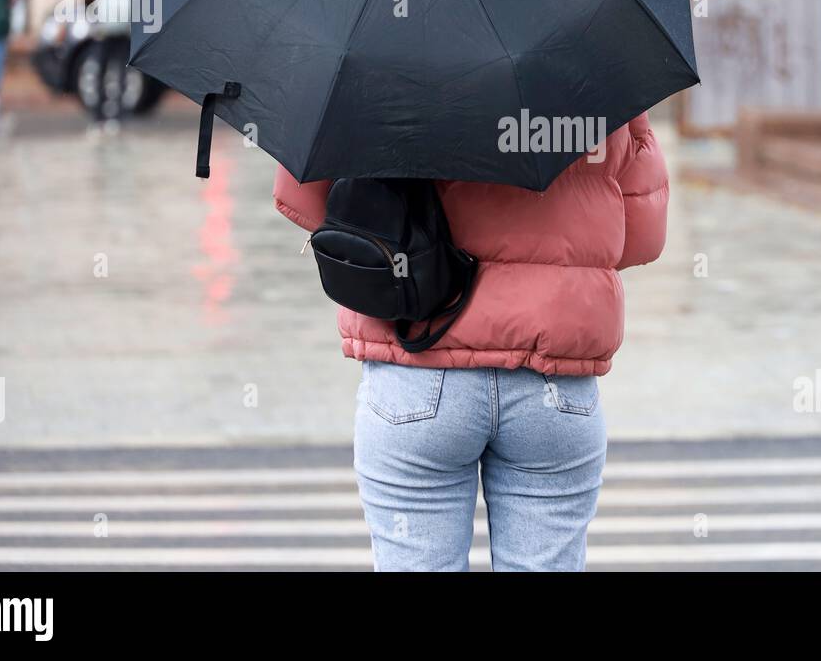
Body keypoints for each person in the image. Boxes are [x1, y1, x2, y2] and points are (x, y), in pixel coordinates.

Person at [273, 114, 669, 571]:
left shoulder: (375, 60)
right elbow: (642, 237)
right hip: (554, 381)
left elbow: (300, 197)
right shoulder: (597, 64)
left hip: (416, 365)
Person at [81, 0, 135, 132]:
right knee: (101, 72)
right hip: (104, 29)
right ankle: (98, 115)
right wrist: (93, 20)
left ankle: (118, 115)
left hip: (124, 29)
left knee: (121, 74)